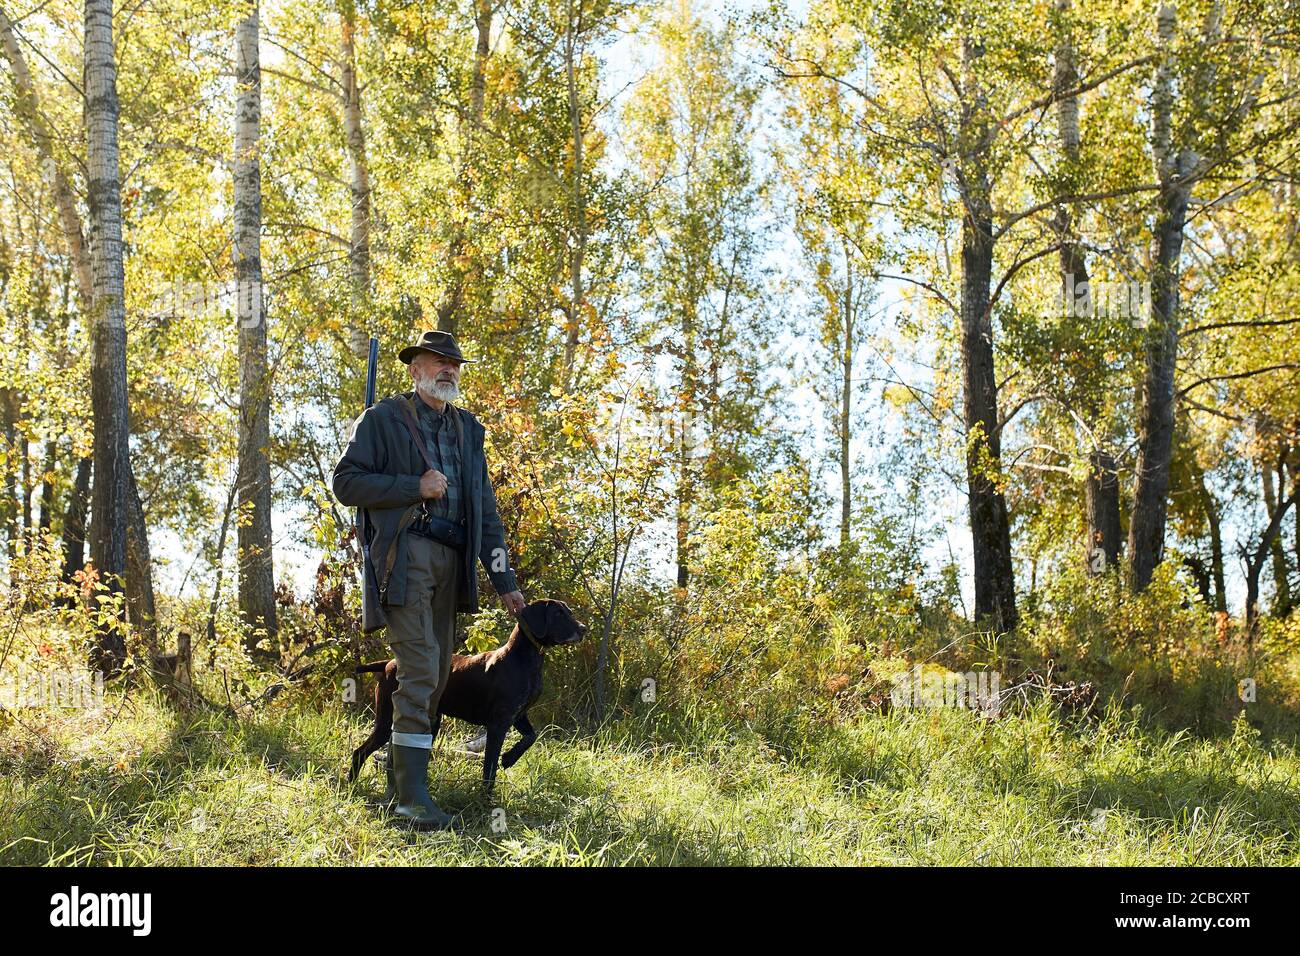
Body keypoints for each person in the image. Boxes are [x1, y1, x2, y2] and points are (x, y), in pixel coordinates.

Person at [333, 325, 525, 829]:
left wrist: (505, 581)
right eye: (437, 361)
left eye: (454, 364)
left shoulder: (468, 431)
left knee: (437, 677)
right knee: (419, 672)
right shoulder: (382, 420)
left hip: (452, 563)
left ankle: (403, 784)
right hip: (406, 556)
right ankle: (411, 800)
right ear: (414, 369)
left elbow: (486, 513)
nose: (448, 369)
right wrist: (412, 486)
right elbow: (346, 483)